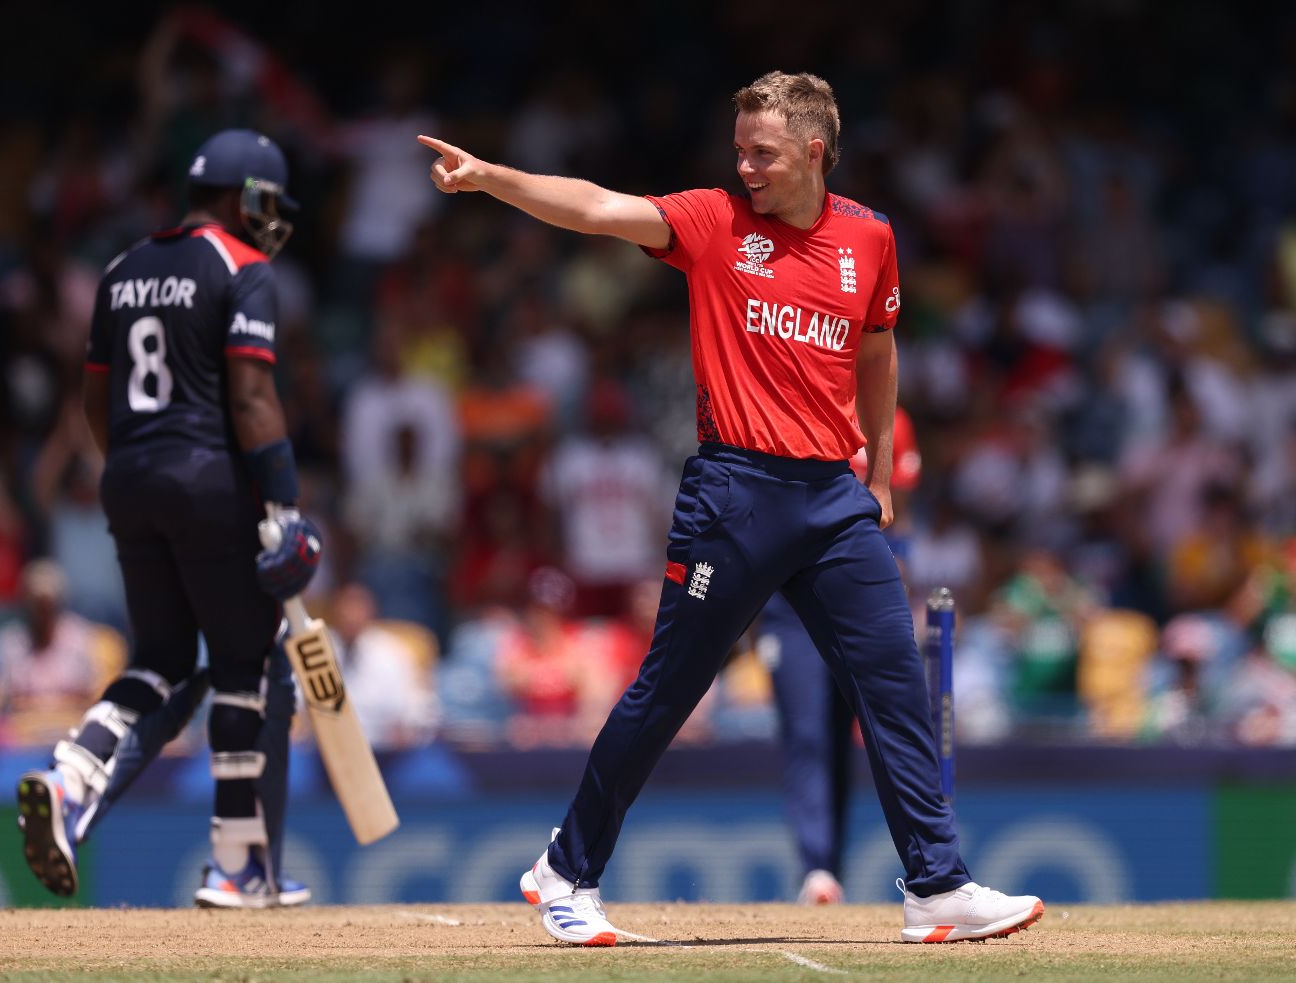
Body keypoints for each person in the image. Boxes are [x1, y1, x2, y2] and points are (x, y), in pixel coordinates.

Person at [421, 70, 1044, 945]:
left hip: (833, 497)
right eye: (740, 149)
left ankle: (937, 885)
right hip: (734, 495)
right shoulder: (714, 221)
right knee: (670, 688)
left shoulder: (870, 237)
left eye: (764, 152)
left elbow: (878, 349)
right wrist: (492, 178)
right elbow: (598, 208)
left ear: (815, 151)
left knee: (894, 679)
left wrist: (880, 476)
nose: (745, 166)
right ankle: (564, 869)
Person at [15, 129, 323, 909]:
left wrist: (138, 467)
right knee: (243, 661)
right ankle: (235, 864)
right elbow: (253, 398)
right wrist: (284, 506)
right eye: (267, 203)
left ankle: (70, 771)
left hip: (128, 476)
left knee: (158, 656)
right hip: (209, 480)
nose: (272, 220)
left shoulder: (119, 271)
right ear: (244, 194)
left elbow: (93, 398)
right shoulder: (241, 269)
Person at [757, 405, 921, 906]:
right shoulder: (792, 405)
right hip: (788, 594)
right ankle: (816, 869)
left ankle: (833, 867)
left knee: (846, 735)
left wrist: (894, 570)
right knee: (806, 732)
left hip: (856, 586)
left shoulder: (892, 418)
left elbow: (900, 499)